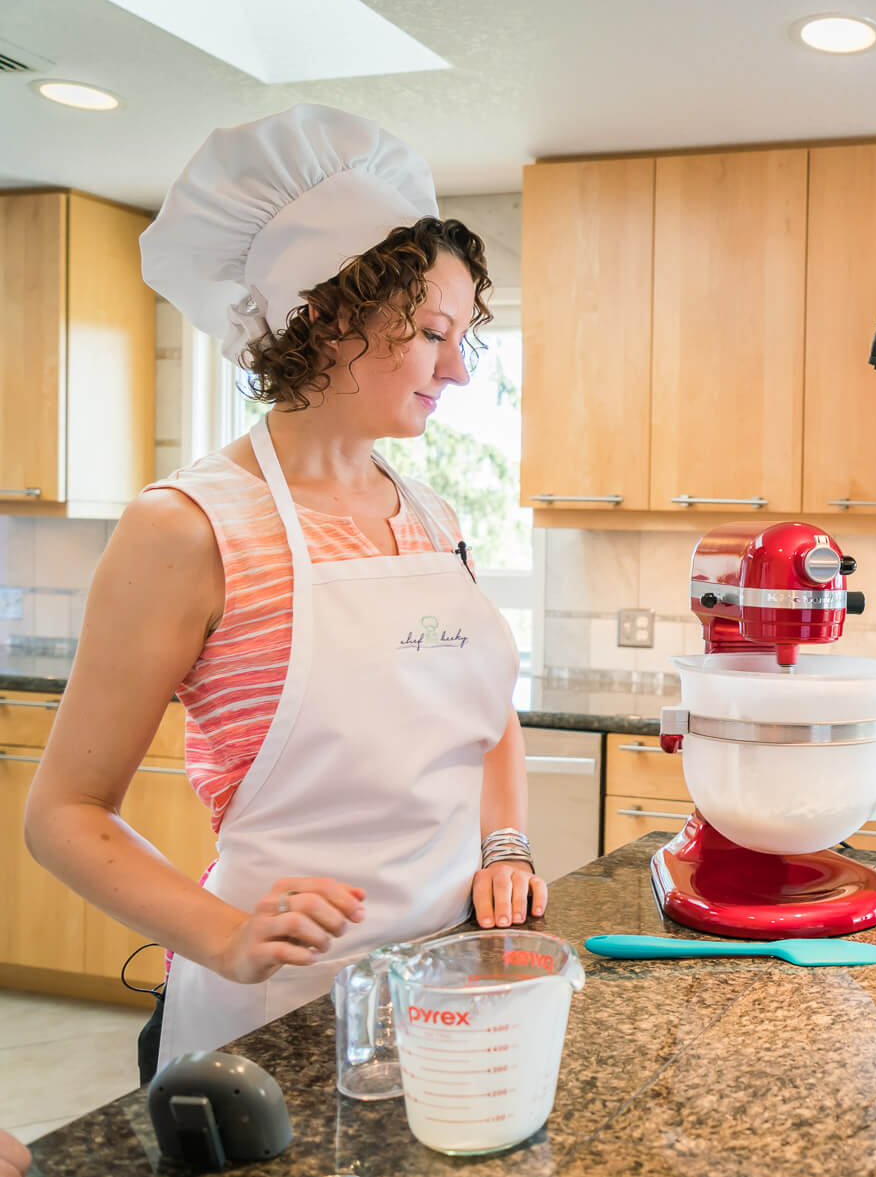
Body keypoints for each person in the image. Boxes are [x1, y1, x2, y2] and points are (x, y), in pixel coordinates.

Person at [22, 104, 548, 1080]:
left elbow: (484, 717)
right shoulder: (190, 527)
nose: (461, 369)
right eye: (434, 332)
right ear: (328, 311)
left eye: (466, 335)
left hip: (442, 981)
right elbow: (62, 811)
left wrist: (505, 845)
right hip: (276, 1007)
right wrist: (221, 932)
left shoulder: (430, 516)